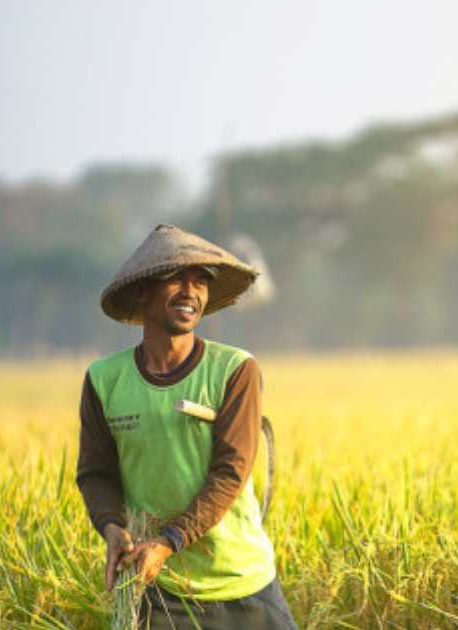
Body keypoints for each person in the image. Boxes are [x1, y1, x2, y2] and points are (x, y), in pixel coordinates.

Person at [76, 224, 297, 629]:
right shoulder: (104, 380)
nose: (190, 291)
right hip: (159, 586)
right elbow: (96, 473)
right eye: (176, 278)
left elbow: (230, 472)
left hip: (240, 580)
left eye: (200, 281)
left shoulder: (235, 370)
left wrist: (169, 541)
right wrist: (112, 528)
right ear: (143, 290)